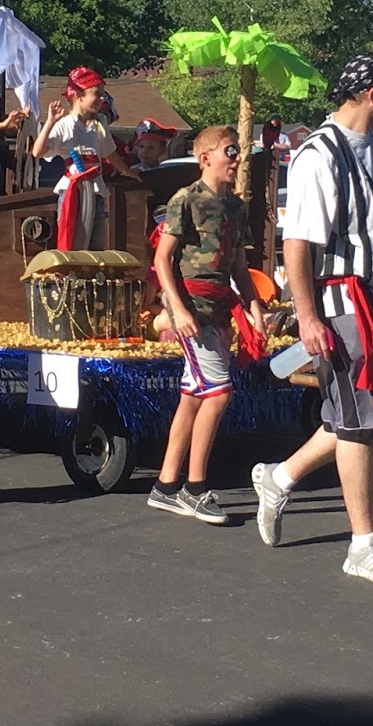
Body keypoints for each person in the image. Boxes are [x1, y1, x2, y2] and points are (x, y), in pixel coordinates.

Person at [249, 55, 373, 586]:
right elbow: (298, 243)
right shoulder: (319, 155)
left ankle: (278, 479)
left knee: (360, 412)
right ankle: (363, 545)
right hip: (341, 299)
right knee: (361, 420)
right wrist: (307, 315)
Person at [147, 126, 266, 524]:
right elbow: (163, 259)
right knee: (218, 394)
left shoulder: (235, 206)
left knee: (194, 396)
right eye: (230, 151)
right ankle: (195, 488)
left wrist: (254, 308)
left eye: (239, 151)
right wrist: (177, 310)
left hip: (219, 308)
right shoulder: (186, 200)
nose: (236, 158)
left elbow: (237, 266)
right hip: (192, 309)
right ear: (205, 158)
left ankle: (165, 485)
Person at [31, 67, 140, 250]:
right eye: (96, 94)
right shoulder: (64, 124)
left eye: (103, 95)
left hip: (96, 190)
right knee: (73, 241)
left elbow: (109, 152)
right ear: (79, 95)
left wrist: (128, 171)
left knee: (96, 243)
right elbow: (37, 152)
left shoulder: (100, 123)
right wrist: (50, 122)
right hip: (72, 191)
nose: (101, 99)